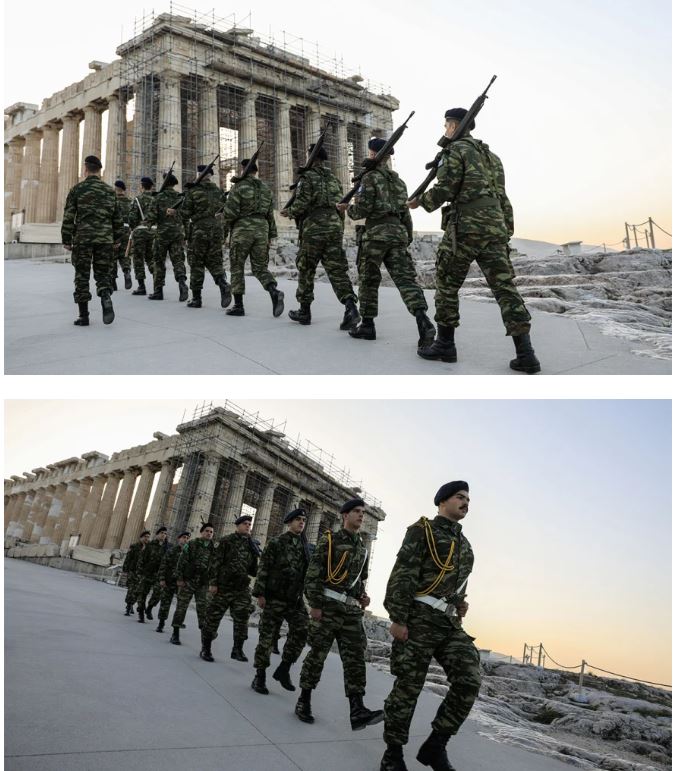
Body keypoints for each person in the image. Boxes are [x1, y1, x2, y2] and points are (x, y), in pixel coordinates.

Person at [409, 108, 541, 374]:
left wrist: (420, 202)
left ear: (454, 125)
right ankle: (526, 354)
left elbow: (446, 188)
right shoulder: (492, 156)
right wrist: (505, 229)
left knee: (447, 285)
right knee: (505, 289)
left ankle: (445, 345)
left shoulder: (455, 151)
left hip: (466, 228)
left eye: (446, 125)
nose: (445, 129)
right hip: (495, 228)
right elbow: (502, 196)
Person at [379, 482, 481, 771]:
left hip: (448, 623)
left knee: (470, 678)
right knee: (408, 687)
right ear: (442, 501)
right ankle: (392, 754)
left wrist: (459, 603)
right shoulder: (422, 531)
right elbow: (402, 575)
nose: (466, 502)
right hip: (418, 618)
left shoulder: (465, 545)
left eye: (468, 499)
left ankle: (436, 746)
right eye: (460, 497)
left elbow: (456, 585)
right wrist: (398, 618)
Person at [295, 498, 383, 731]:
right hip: (328, 608)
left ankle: (357, 709)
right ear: (345, 515)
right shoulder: (330, 540)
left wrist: (363, 597)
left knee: (355, 659)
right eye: (357, 511)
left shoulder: (362, 548)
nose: (361, 515)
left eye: (363, 512)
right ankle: (304, 699)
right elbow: (313, 575)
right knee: (317, 655)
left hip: (351, 612)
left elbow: (359, 581)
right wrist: (315, 605)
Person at [338, 138, 434, 348]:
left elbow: (362, 210)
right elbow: (406, 215)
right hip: (398, 234)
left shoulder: (370, 178)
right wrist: (405, 237)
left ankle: (368, 325)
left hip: (376, 234)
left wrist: (347, 209)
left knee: (369, 280)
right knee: (406, 280)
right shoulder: (400, 183)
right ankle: (423, 321)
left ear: (373, 154)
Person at [281, 145, 360, 329]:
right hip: (334, 228)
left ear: (311, 157)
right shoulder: (334, 179)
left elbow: (302, 203)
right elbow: (340, 207)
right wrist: (338, 228)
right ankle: (351, 308)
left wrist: (289, 212)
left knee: (306, 268)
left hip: (314, 228)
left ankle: (304, 311)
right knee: (337, 270)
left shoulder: (307, 177)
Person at [251, 508, 311, 695]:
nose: (301, 522)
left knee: (302, 629)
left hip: (294, 600)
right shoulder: (277, 542)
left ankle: (284, 668)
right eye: (298, 519)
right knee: (267, 637)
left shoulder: (305, 547)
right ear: (289, 522)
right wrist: (260, 594)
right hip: (274, 597)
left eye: (303, 520)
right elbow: (264, 568)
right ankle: (260, 675)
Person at [61, 155, 123, 327]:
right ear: (99, 170)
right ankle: (105, 297)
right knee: (103, 274)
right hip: (105, 239)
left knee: (82, 276)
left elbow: (68, 217)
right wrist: (117, 239)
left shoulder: (77, 189)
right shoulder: (110, 191)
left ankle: (84, 316)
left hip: (83, 239)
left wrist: (66, 239)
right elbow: (117, 218)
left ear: (85, 169)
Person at [221, 159, 284, 318]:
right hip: (262, 229)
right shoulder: (265, 189)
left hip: (243, 229)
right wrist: (271, 235)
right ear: (256, 171)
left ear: (243, 170)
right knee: (260, 267)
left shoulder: (239, 187)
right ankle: (274, 291)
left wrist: (224, 230)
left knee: (237, 266)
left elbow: (231, 213)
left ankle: (238, 305)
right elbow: (270, 215)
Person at [200, 514, 259, 663]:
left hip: (241, 589)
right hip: (223, 587)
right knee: (213, 618)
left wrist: (258, 558)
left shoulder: (251, 545)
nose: (248, 526)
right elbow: (215, 563)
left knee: (242, 619)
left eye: (249, 524)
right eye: (245, 524)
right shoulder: (226, 541)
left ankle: (237, 650)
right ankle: (206, 648)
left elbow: (253, 570)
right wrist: (213, 583)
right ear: (238, 525)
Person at [179, 164, 232, 309]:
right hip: (216, 230)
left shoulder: (193, 191)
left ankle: (196, 299)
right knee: (215, 261)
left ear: (199, 174)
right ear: (210, 176)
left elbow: (185, 213)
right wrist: (224, 233)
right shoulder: (219, 192)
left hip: (199, 230)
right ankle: (223, 284)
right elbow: (226, 214)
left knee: (197, 263)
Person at [169, 522, 215, 645]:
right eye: (207, 531)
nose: (209, 533)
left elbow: (215, 567)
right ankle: (175, 633)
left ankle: (205, 636)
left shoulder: (214, 548)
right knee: (181, 607)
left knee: (203, 609)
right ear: (202, 532)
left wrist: (213, 582)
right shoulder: (192, 544)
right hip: (188, 581)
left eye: (211, 532)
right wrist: (179, 578)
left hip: (203, 583)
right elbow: (181, 561)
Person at [147, 173, 188, 301]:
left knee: (159, 262)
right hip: (177, 233)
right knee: (178, 260)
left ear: (164, 182)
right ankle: (182, 283)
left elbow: (151, 218)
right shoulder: (180, 197)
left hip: (162, 234)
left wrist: (148, 224)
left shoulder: (158, 197)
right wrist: (186, 234)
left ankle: (158, 291)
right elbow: (186, 217)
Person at [155, 531, 190, 633]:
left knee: (181, 605)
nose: (185, 539)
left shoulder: (189, 552)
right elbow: (163, 565)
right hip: (169, 580)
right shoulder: (172, 551)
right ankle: (161, 622)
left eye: (187, 538)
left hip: (182, 583)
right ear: (179, 539)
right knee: (165, 603)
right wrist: (162, 579)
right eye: (184, 537)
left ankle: (178, 623)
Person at [128, 177, 157, 296]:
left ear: (142, 186)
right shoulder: (156, 199)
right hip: (154, 231)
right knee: (152, 258)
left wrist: (133, 227)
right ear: (151, 187)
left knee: (138, 259)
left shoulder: (137, 199)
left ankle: (141, 286)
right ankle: (157, 286)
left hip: (140, 231)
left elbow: (132, 218)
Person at [135, 526, 169, 623]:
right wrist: (139, 573)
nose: (163, 535)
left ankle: (149, 607)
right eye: (162, 533)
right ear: (157, 534)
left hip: (158, 575)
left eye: (165, 534)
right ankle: (141, 613)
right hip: (147, 574)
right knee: (142, 594)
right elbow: (141, 559)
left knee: (158, 593)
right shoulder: (149, 545)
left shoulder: (166, 548)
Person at [121, 530, 150, 615]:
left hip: (142, 573)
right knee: (131, 589)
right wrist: (125, 570)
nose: (147, 539)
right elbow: (128, 558)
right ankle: (129, 606)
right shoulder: (134, 546)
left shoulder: (149, 548)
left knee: (137, 591)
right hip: (133, 571)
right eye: (145, 537)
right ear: (141, 537)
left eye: (148, 537)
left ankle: (131, 604)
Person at [112, 180, 133, 291]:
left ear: (116, 189)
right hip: (126, 229)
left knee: (113, 255)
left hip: (114, 229)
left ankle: (113, 282)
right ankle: (127, 271)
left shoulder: (112, 202)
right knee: (125, 254)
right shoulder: (131, 202)